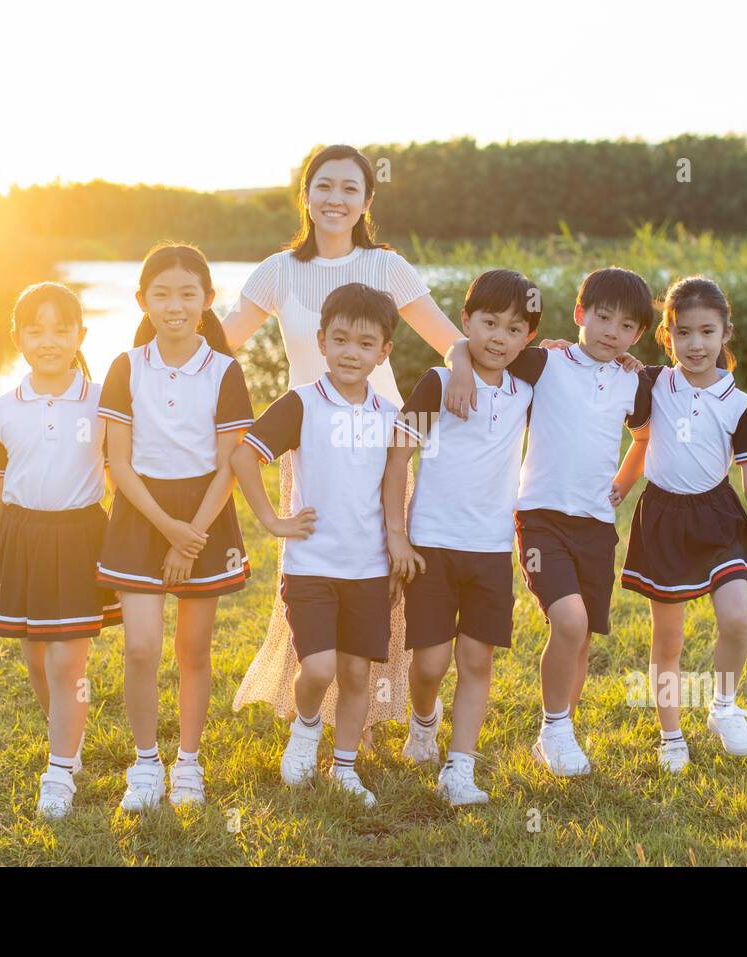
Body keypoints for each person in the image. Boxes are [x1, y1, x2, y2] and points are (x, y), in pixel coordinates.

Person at [222, 144, 475, 737]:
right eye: (324, 187)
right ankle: (312, 711)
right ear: (305, 195)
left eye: (349, 190)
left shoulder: (386, 267)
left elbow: (448, 338)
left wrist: (461, 363)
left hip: (380, 444)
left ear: (366, 200)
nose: (336, 200)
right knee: (314, 572)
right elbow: (220, 346)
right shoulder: (278, 271)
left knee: (382, 571)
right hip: (309, 446)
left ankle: (392, 710)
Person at [447, 266, 653, 778]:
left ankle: (559, 733)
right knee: (570, 620)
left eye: (627, 326)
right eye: (603, 318)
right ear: (580, 314)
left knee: (580, 636)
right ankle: (554, 727)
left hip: (596, 524)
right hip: (541, 517)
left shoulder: (633, 379)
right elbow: (475, 346)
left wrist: (625, 483)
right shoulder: (546, 363)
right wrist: (454, 361)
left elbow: (644, 437)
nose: (612, 332)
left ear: (638, 335)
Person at [96, 244, 254, 811]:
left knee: (193, 649)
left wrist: (192, 536)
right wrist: (169, 530)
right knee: (141, 648)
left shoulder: (225, 370)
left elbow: (229, 465)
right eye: (161, 294)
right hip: (141, 515)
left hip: (205, 517)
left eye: (188, 294)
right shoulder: (126, 366)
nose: (175, 305)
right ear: (142, 301)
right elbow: (118, 463)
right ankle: (144, 764)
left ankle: (188, 762)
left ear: (208, 301)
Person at [231, 283, 402, 808]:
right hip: (311, 565)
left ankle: (345, 766)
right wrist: (274, 521)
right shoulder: (302, 402)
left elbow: (396, 484)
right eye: (342, 340)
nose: (352, 352)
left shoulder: (391, 414)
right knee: (321, 668)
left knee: (357, 674)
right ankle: (306, 729)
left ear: (384, 352)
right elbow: (243, 457)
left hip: (370, 567)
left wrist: (399, 548)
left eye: (366, 343)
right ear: (322, 341)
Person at [385, 269, 539, 806]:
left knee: (477, 661)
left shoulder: (526, 389)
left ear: (529, 339)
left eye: (514, 328)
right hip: (432, 544)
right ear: (466, 321)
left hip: (492, 548)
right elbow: (399, 454)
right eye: (488, 323)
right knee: (430, 664)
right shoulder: (436, 380)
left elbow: (582, 359)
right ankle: (423, 723)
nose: (499, 337)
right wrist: (397, 535)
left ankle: (460, 769)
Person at [613, 276, 747, 773]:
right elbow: (638, 436)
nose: (696, 344)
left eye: (707, 332)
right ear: (668, 336)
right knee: (667, 640)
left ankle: (724, 707)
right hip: (662, 518)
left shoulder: (740, 404)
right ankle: (671, 736)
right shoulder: (652, 383)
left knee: (735, 618)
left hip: (718, 517)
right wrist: (621, 484)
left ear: (726, 333)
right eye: (684, 333)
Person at [0, 282, 122, 820]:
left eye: (61, 330)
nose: (48, 341)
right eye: (35, 330)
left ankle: (59, 771)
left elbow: (121, 473)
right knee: (36, 655)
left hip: (81, 537)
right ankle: (68, 733)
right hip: (22, 539)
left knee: (67, 659)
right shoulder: (4, 409)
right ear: (17, 339)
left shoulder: (102, 399)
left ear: (80, 335)